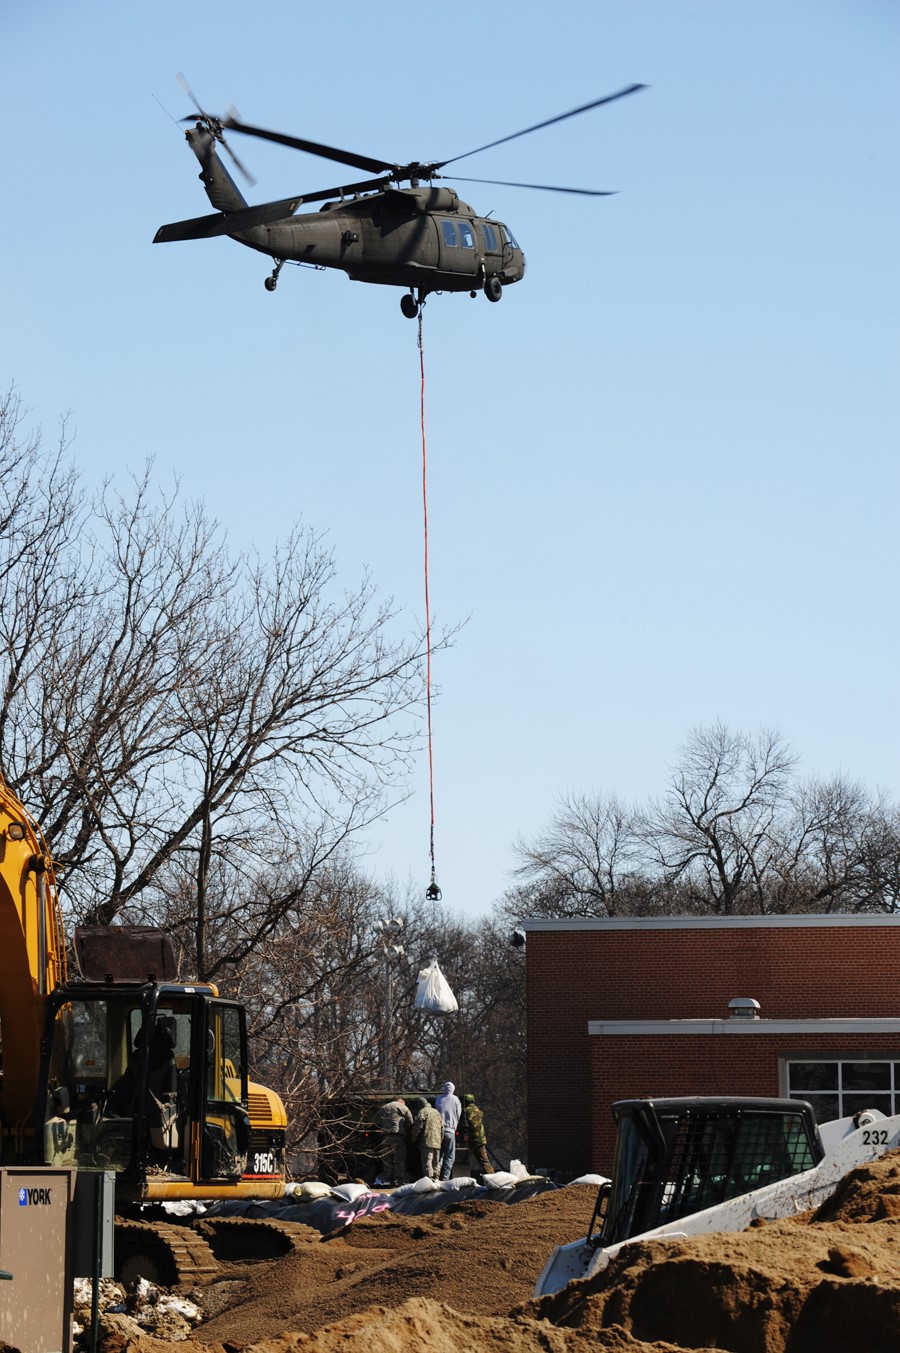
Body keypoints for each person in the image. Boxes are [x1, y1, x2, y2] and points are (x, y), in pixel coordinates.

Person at [375, 1096, 413, 1186]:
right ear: (402, 1102)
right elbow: (410, 1122)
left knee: (387, 1160)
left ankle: (390, 1181)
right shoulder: (403, 1107)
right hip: (397, 1137)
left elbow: (376, 1120)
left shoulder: (384, 1107)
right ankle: (399, 1181)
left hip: (385, 1137)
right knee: (399, 1159)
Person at [409, 1097, 443, 1181]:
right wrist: (441, 1139)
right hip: (437, 1142)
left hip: (427, 1141)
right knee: (436, 1162)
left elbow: (417, 1127)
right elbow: (442, 1128)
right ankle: (437, 1178)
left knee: (427, 1161)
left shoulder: (422, 1112)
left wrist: (413, 1138)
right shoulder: (437, 1112)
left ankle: (429, 1179)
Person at [434, 1080, 462, 1181]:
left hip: (438, 1131)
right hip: (450, 1131)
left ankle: (435, 1176)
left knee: (439, 1155)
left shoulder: (439, 1099)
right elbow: (458, 1113)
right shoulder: (455, 1099)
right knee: (449, 1156)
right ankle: (445, 1178)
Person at [464, 1093, 491, 1178]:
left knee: (462, 1160)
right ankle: (492, 1177)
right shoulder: (478, 1111)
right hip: (481, 1138)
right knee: (485, 1161)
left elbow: (465, 1124)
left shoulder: (466, 1111)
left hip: (472, 1139)